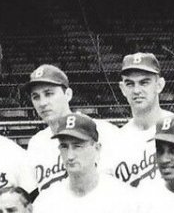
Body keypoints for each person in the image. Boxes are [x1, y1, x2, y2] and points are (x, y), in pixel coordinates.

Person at [22, 63, 121, 193]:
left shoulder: (103, 131)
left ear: (68, 94)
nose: (42, 103)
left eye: (49, 93)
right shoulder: (36, 143)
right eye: (36, 97)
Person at [106, 52, 174, 188]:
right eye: (130, 84)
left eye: (144, 82)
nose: (137, 90)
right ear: (122, 89)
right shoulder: (115, 141)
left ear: (159, 85)